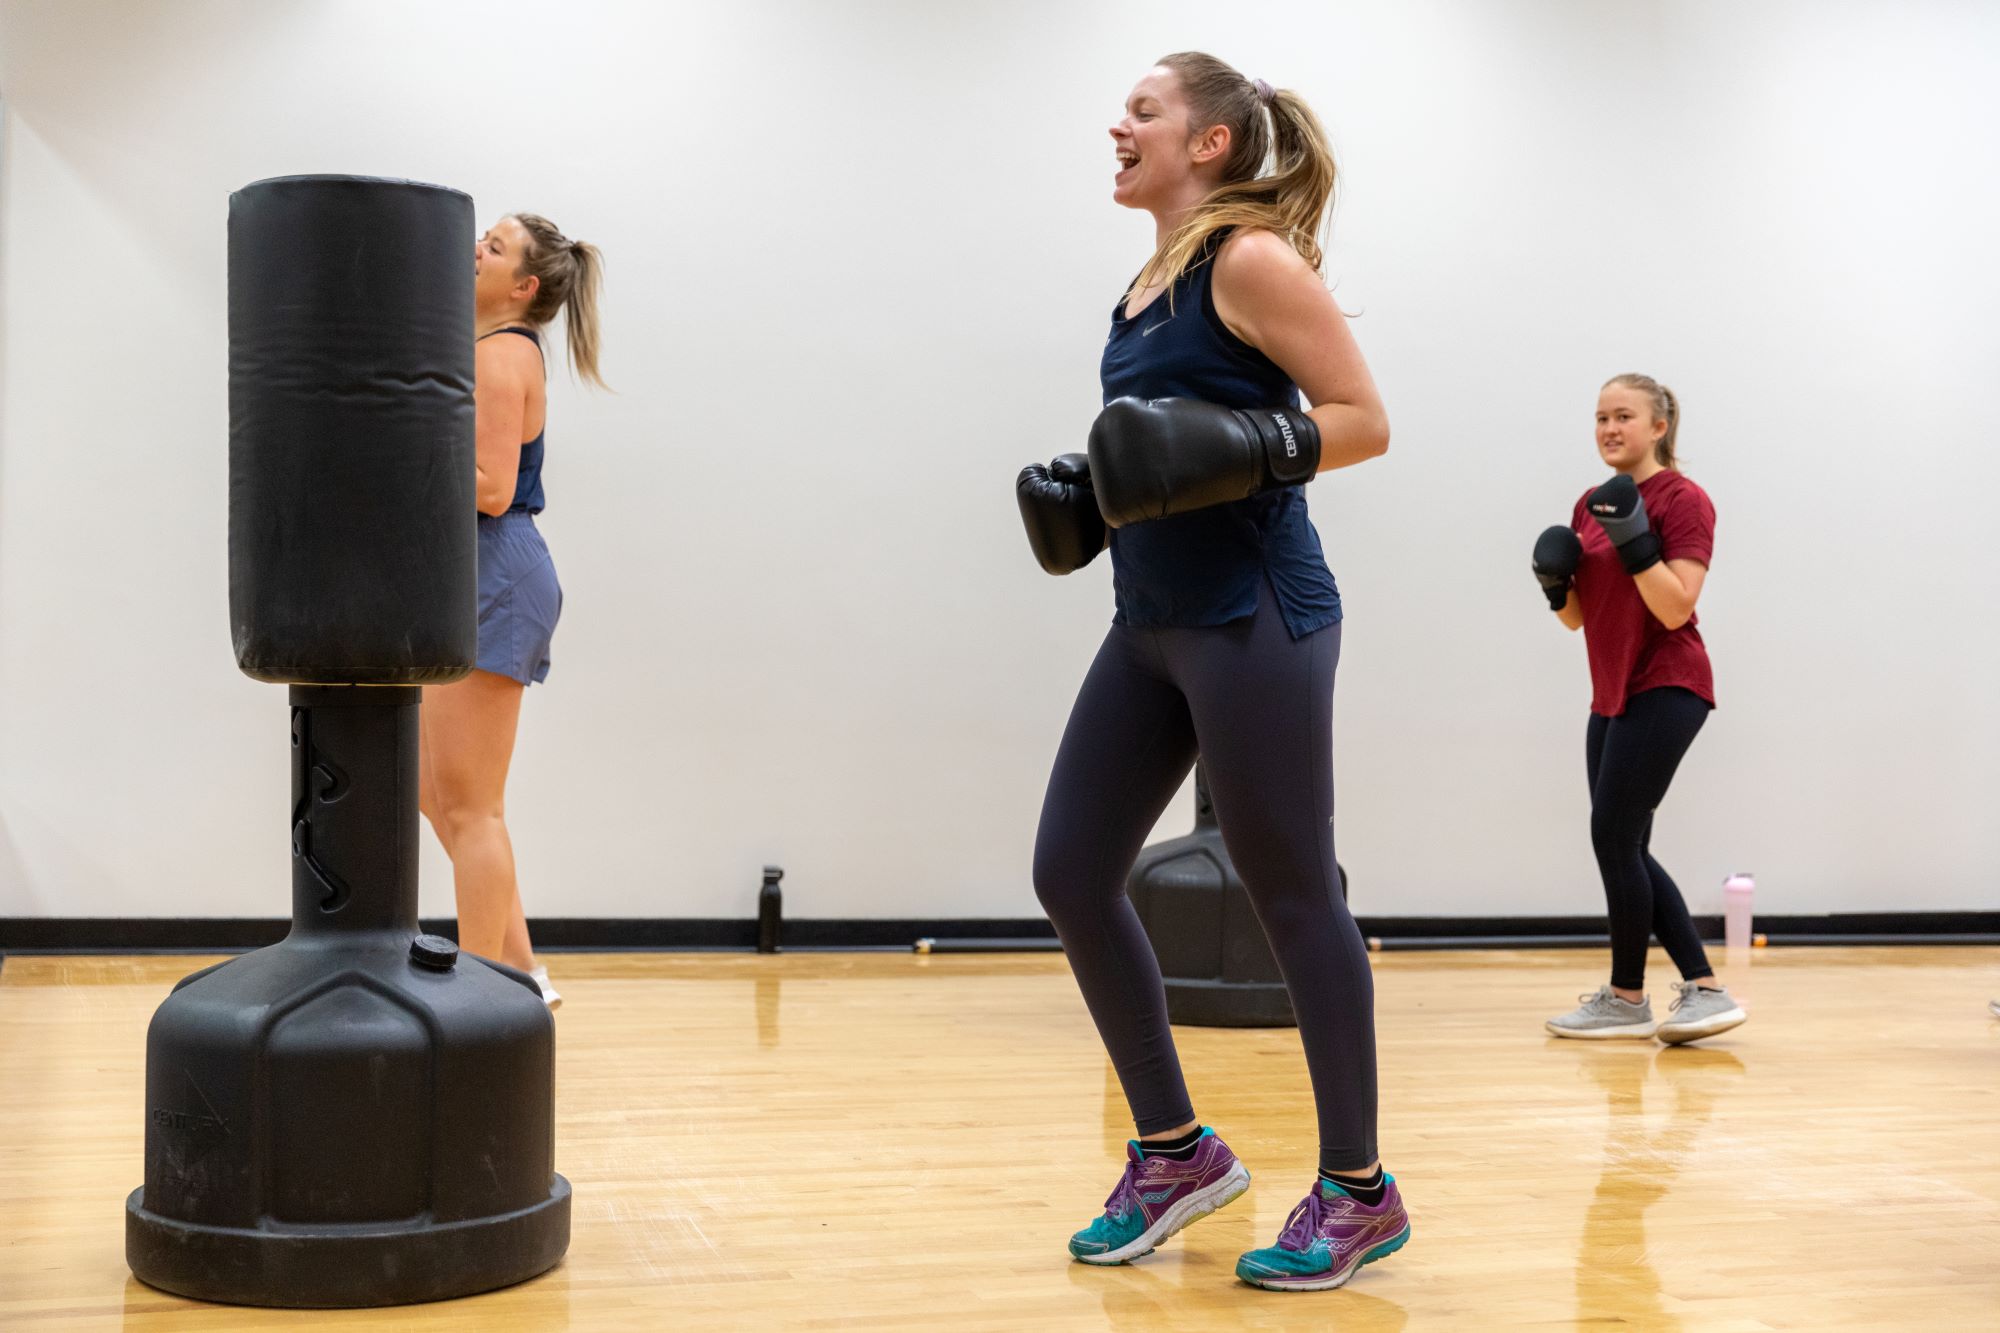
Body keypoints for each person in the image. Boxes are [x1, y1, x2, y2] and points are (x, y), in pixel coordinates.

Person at [1016, 52, 1407, 1294]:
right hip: (1151, 617)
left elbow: (1360, 418)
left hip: (1256, 617)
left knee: (1291, 893)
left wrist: (1236, 445)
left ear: (1210, 146)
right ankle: (1175, 1154)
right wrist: (1102, 490)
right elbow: (1163, 450)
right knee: (1071, 869)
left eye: (1143, 111)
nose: (1116, 127)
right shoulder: (1145, 283)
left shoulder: (1248, 260)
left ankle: (1357, 1192)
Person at [418, 212, 604, 1011]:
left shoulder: (500, 356)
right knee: (439, 794)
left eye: (491, 247)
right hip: (482, 571)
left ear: (524, 286)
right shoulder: (494, 351)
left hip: (497, 572)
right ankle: (524, 973)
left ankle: (474, 998)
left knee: (469, 804)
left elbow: (490, 489)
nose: (474, 250)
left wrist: (404, 452)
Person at [1531, 374, 1746, 1044]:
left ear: (1660, 426)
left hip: (1670, 681)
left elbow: (1676, 604)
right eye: (1600, 417)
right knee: (1623, 841)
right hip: (1612, 688)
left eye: (1623, 416)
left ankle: (1668, 991)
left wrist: (1635, 545)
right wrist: (1552, 583)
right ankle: (1661, 993)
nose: (1609, 429)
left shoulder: (1685, 500)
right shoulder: (1589, 503)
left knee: (1613, 835)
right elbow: (1575, 620)